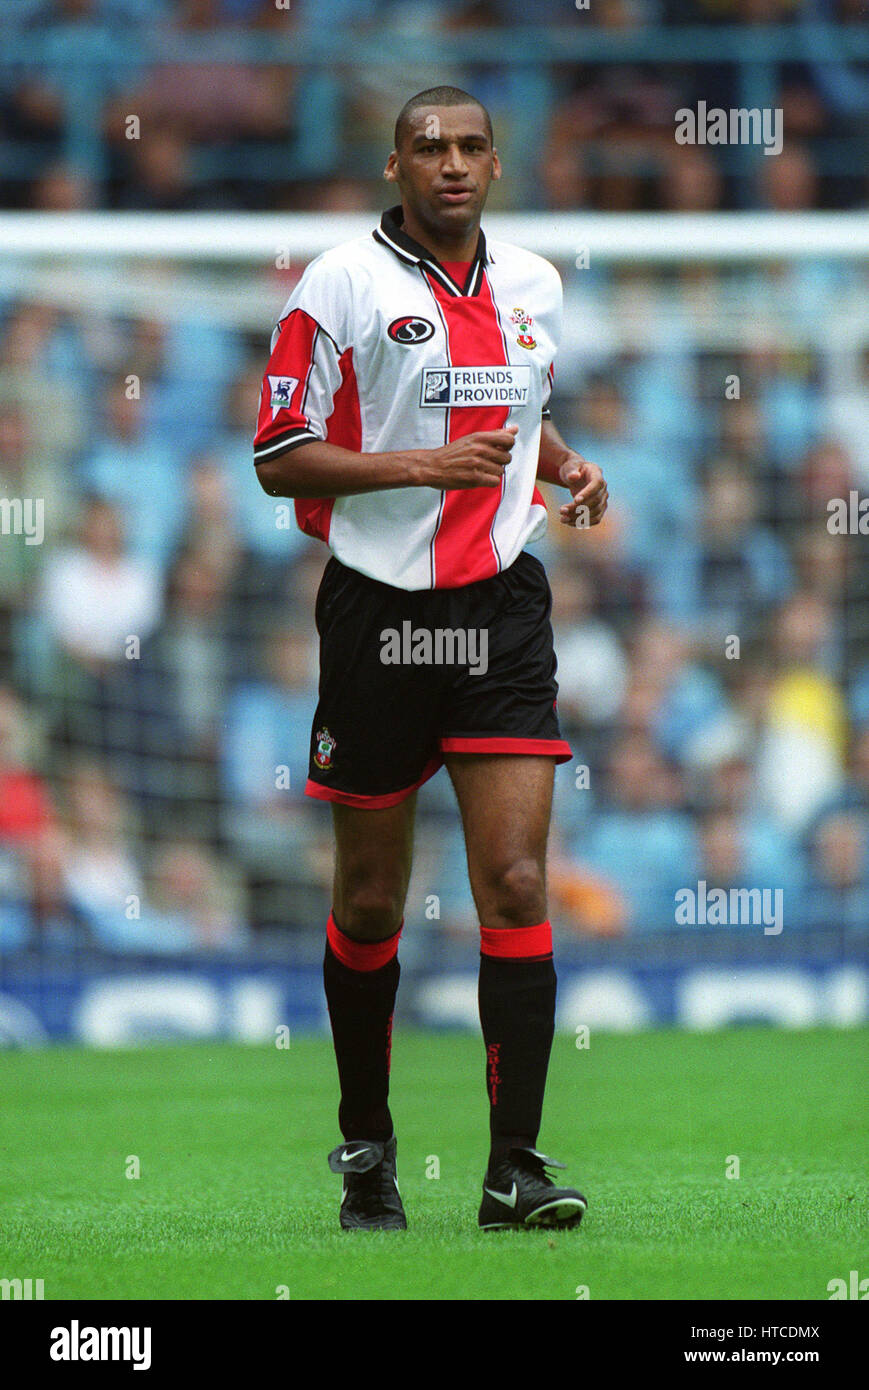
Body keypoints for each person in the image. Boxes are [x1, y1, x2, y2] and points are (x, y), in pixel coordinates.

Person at [253, 86, 609, 1232]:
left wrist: (558, 463)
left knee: (510, 880)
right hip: (377, 616)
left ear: (494, 165)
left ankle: (515, 1170)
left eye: (467, 147)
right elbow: (277, 455)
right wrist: (421, 468)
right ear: (394, 167)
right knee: (368, 900)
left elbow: (518, 399)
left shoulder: (534, 284)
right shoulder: (336, 284)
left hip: (499, 612)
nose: (449, 164)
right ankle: (368, 1152)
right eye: (427, 148)